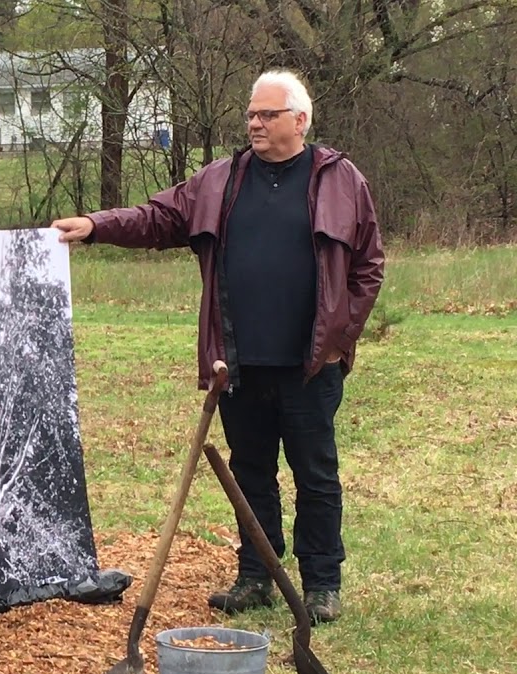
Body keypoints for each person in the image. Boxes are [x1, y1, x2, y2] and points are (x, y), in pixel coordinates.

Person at [52, 69, 385, 625]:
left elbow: (368, 267)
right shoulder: (220, 180)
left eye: (267, 114)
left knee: (315, 475)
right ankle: (257, 574)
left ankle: (323, 583)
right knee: (249, 472)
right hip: (238, 361)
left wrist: (337, 341)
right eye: (251, 114)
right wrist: (95, 224)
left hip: (309, 365)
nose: (254, 122)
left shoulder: (340, 181)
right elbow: (157, 217)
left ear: (299, 120)